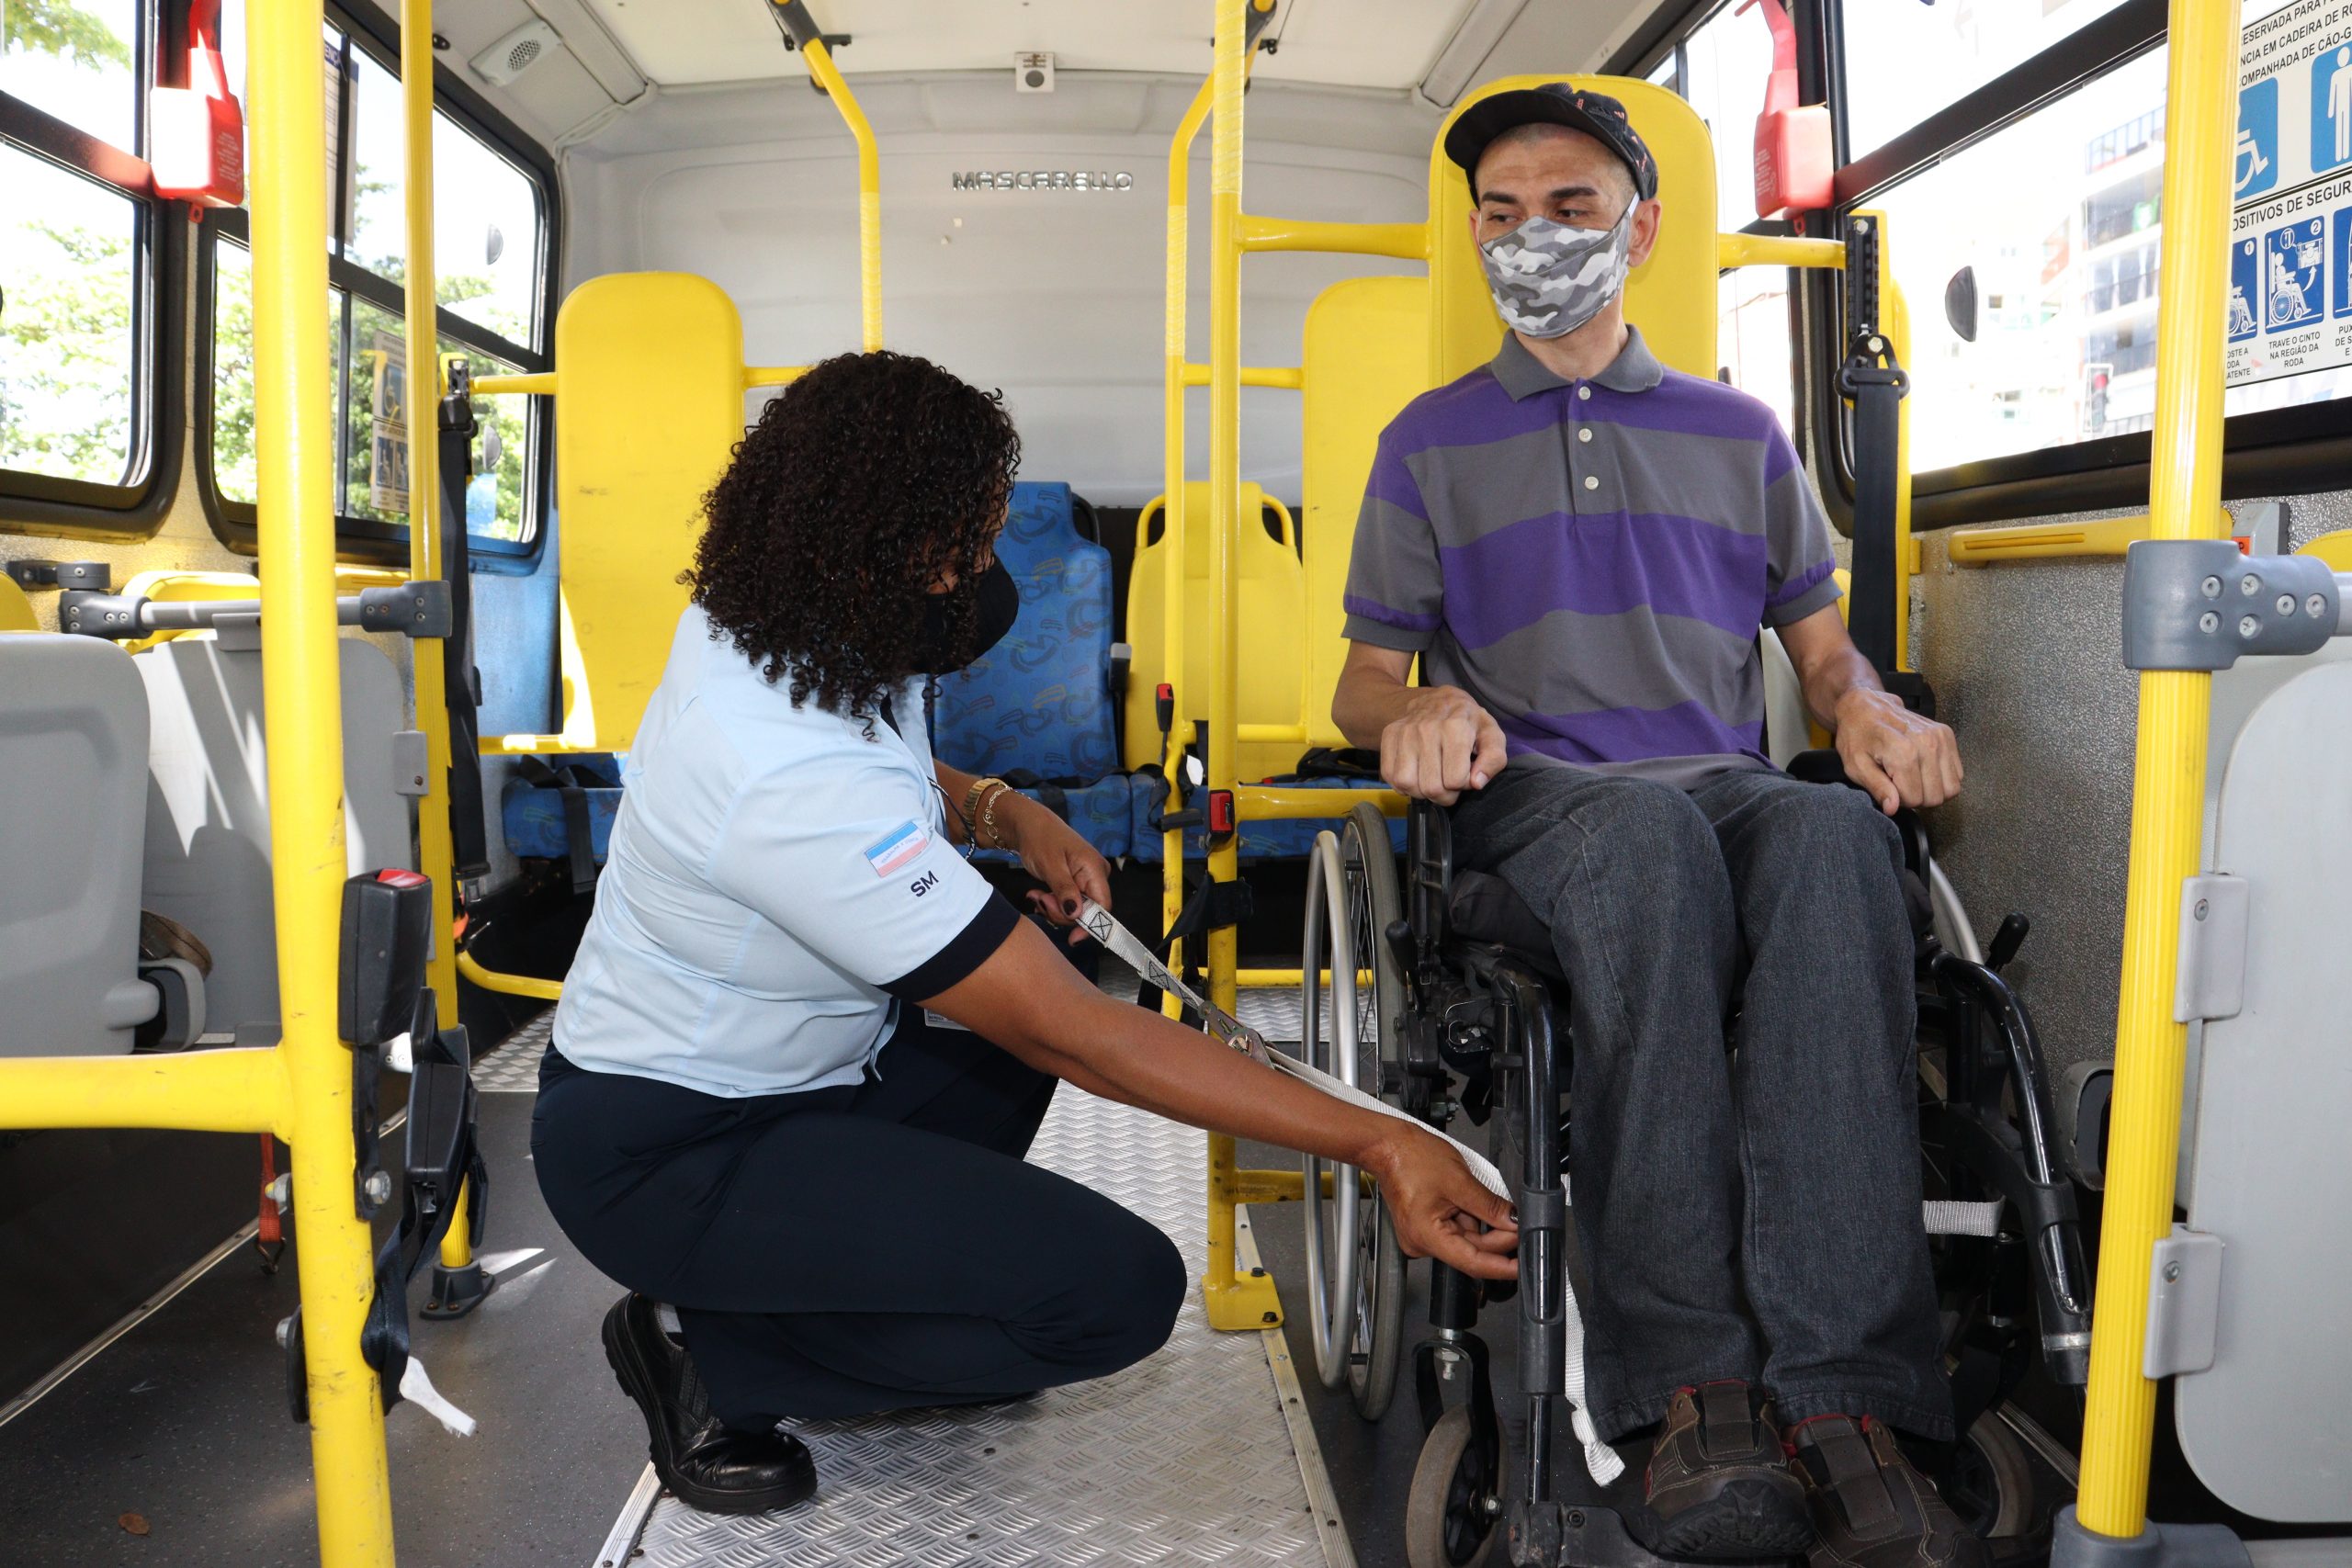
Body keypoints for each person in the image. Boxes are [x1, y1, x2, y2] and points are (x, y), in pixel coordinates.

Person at [532, 350, 1516, 1517]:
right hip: (669, 1153)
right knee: (1107, 1293)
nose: (986, 574)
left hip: (799, 1079)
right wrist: (1377, 1143)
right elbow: (1081, 1037)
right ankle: (705, 1348)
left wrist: (1002, 807)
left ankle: (825, 1281)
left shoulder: (785, 621)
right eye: (971, 547)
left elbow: (881, 759)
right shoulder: (772, 767)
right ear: (881, 550)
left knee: (1010, 1005)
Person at [1330, 86, 1979, 1568]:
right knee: (1645, 846)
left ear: (1642, 228)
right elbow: (1366, 682)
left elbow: (1823, 657)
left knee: (1829, 841)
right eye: (1501, 214)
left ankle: (1847, 1397)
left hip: (1720, 784)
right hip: (1544, 802)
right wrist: (1412, 709)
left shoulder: (1742, 431)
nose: (1530, 238)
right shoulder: (1428, 443)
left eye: (1567, 207)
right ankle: (1691, 1389)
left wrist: (1866, 709)